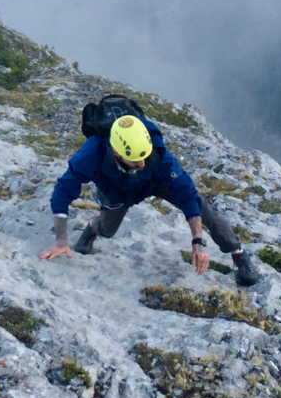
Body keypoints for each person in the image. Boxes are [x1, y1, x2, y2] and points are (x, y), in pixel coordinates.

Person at [39, 112, 259, 284]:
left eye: (144, 156)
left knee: (204, 209)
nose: (143, 163)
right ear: (116, 152)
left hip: (157, 181)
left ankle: (237, 252)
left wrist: (198, 242)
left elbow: (188, 194)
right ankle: (92, 227)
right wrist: (61, 241)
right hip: (116, 190)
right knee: (107, 230)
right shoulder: (90, 156)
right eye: (136, 160)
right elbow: (62, 192)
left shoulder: (157, 154)